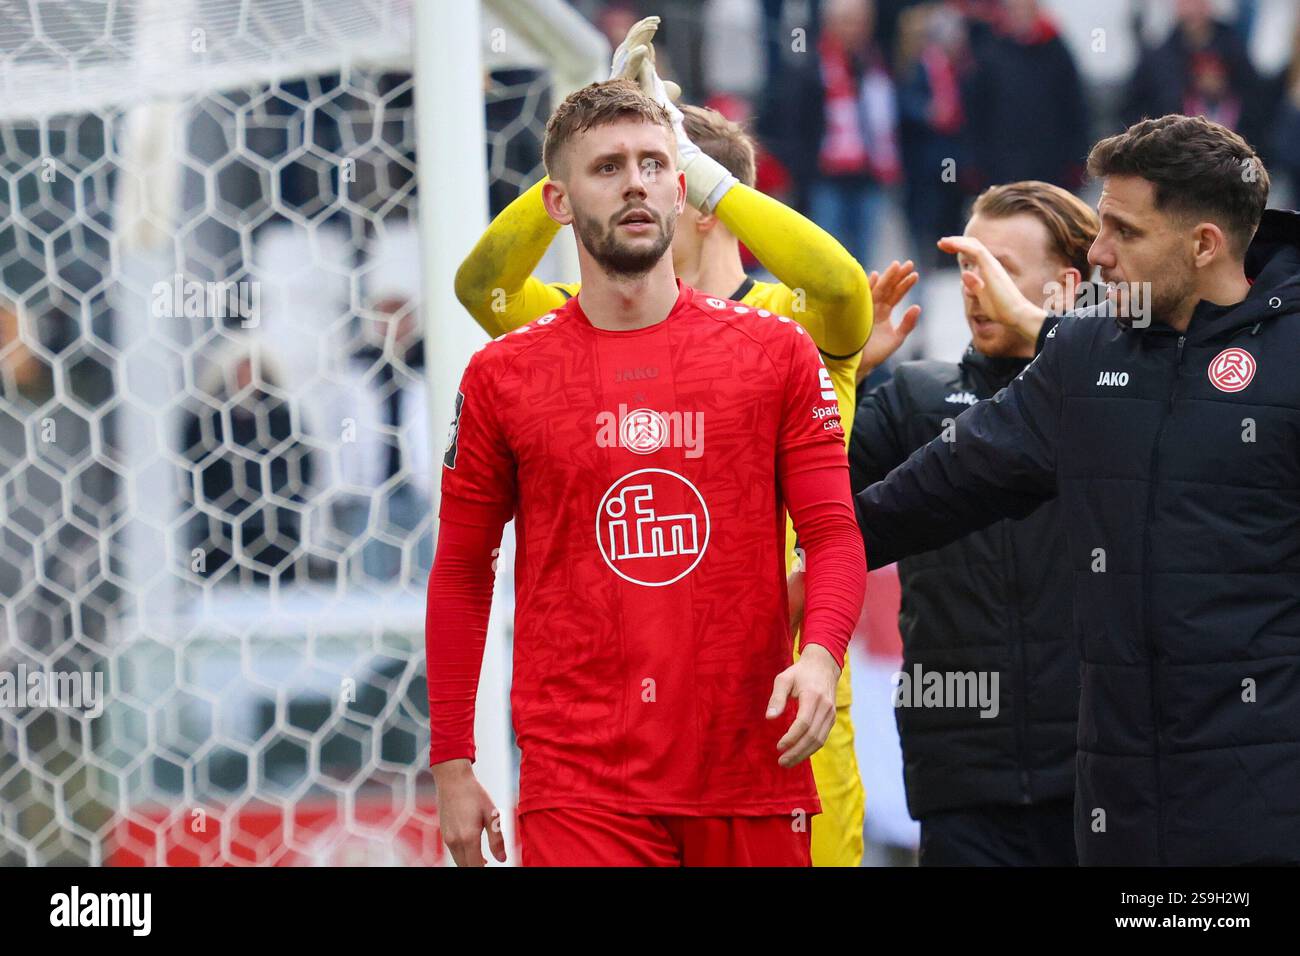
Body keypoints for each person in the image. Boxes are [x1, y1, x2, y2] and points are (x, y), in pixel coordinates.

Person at [452, 19, 873, 867]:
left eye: (657, 169)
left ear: (696, 196)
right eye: (613, 172)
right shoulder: (567, 343)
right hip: (604, 752)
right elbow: (483, 288)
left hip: (785, 708)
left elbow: (837, 280)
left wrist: (697, 167)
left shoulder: (785, 330)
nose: (637, 190)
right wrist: (569, 162)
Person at [856, 114, 1300, 865]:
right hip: (1118, 810)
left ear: (1203, 245)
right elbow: (947, 482)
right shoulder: (1088, 350)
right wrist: (824, 560)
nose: (1098, 254)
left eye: (1123, 231)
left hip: (1268, 804)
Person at [849, 181, 1098, 865]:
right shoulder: (913, 398)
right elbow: (803, 496)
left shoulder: (1111, 400)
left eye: (1001, 269)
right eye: (967, 265)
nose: (975, 287)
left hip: (1096, 779)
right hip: (959, 783)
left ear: (1066, 286)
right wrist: (843, 374)